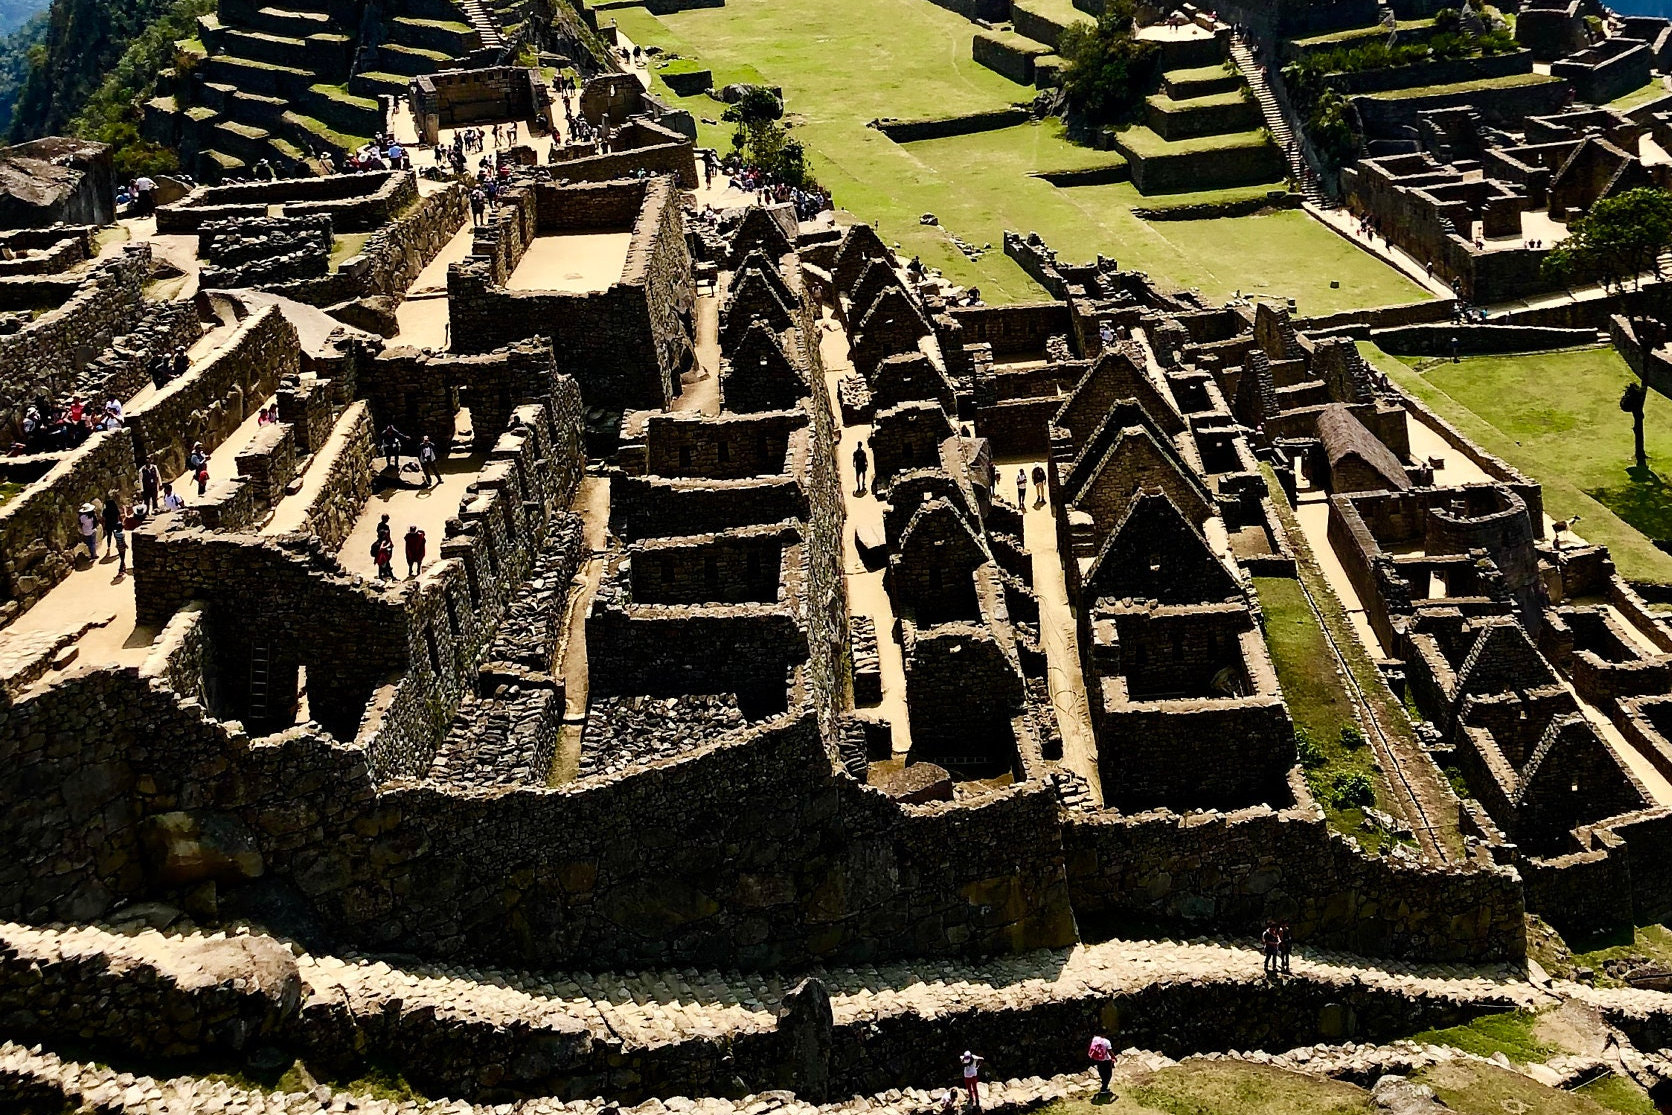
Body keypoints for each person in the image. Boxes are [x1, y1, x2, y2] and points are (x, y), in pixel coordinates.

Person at [101, 491, 121, 557]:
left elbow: (103, 518)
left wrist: (104, 525)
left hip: (108, 524)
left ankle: (108, 547)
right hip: (115, 524)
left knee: (109, 536)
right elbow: (118, 516)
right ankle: (119, 546)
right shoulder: (115, 509)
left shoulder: (105, 510)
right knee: (117, 536)